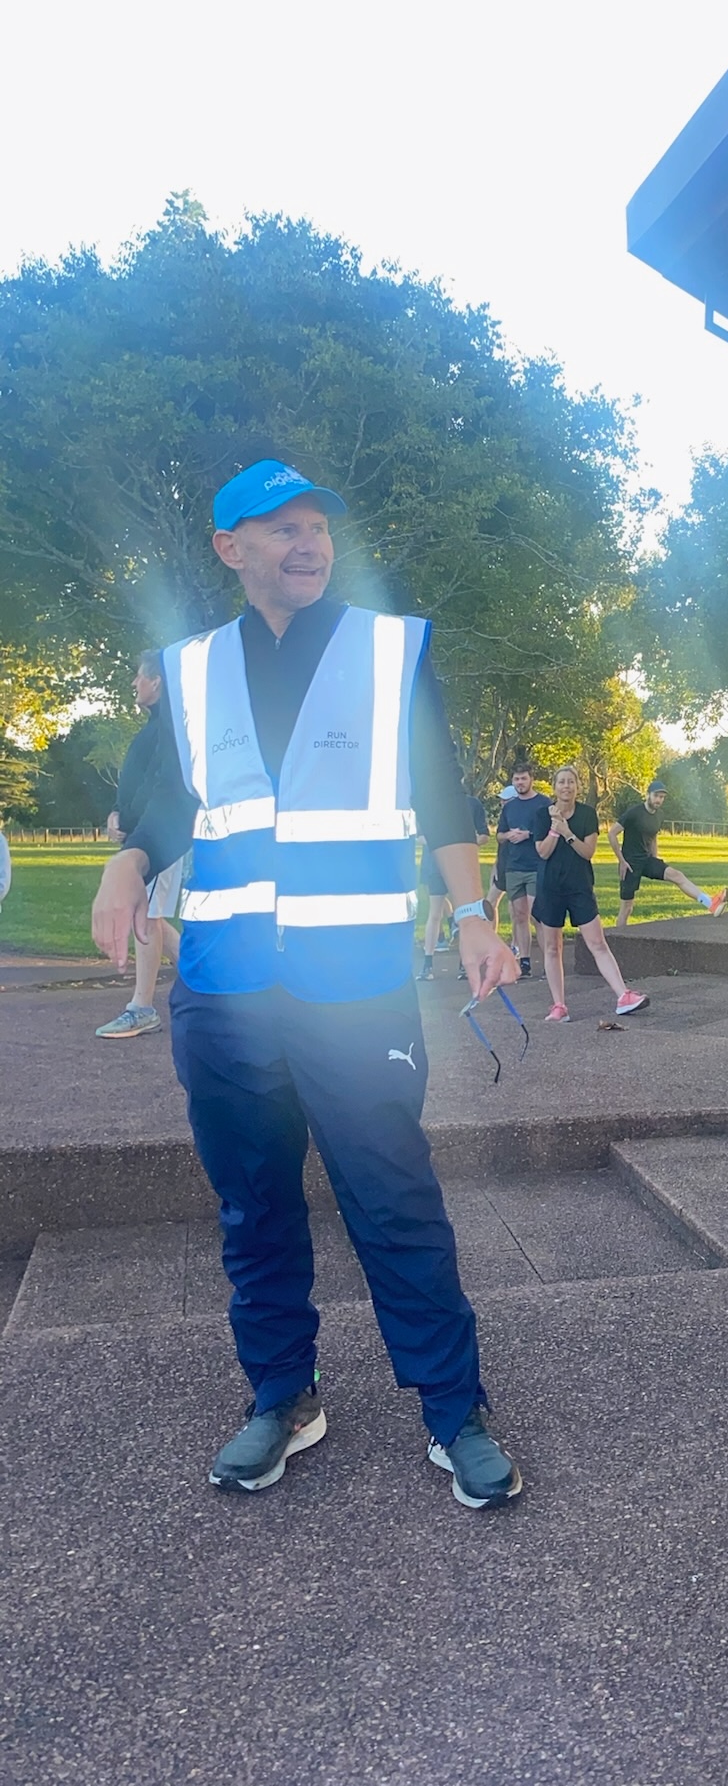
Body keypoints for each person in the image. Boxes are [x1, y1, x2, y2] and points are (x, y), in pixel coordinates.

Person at [89, 458, 523, 1510]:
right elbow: (160, 800)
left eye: (316, 525)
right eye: (278, 528)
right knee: (253, 1208)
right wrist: (125, 862)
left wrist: (471, 917)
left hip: (359, 982)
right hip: (226, 989)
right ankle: (283, 1396)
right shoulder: (188, 671)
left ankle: (453, 1409)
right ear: (229, 546)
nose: (306, 542)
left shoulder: (389, 649)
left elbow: (440, 789)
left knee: (394, 1199)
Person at [96, 650, 186, 1039]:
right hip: (141, 834)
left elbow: (161, 787)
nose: (135, 683)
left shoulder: (171, 726)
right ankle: (215, 990)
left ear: (158, 681)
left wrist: (135, 828)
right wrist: (118, 814)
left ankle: (142, 1007)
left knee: (146, 916)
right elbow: (135, 783)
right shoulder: (154, 727)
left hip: (158, 837)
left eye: (139, 676)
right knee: (151, 917)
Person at [534, 764, 649, 1023]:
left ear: (577, 786)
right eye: (561, 782)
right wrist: (554, 828)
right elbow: (542, 852)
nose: (566, 786)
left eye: (571, 782)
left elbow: (588, 852)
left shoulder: (587, 814)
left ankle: (624, 995)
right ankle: (559, 1006)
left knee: (597, 942)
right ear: (554, 787)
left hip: (579, 888)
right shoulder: (542, 815)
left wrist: (567, 833)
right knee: (552, 947)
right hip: (550, 888)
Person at [607, 780, 728, 928]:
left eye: (662, 797)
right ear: (648, 795)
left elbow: (653, 837)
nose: (659, 800)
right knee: (627, 908)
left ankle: (711, 904)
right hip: (630, 864)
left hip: (647, 860)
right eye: (656, 796)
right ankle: (617, 940)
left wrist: (655, 860)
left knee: (677, 875)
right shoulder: (634, 813)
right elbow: (612, 833)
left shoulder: (659, 815)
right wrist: (621, 860)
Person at [418, 789, 489, 982]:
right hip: (436, 866)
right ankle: (427, 964)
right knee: (434, 914)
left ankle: (465, 965)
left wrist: (464, 844)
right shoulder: (429, 804)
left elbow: (484, 835)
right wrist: (442, 844)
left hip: (462, 868)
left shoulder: (472, 804)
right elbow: (420, 836)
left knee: (464, 915)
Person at [487, 759, 548, 976]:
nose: (520, 782)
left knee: (538, 915)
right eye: (517, 779)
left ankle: (550, 959)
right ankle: (525, 961)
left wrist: (528, 835)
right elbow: (499, 835)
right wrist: (509, 835)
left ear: (531, 779)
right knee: (519, 915)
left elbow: (552, 833)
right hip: (514, 867)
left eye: (523, 778)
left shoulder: (544, 803)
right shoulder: (510, 807)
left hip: (536, 866)